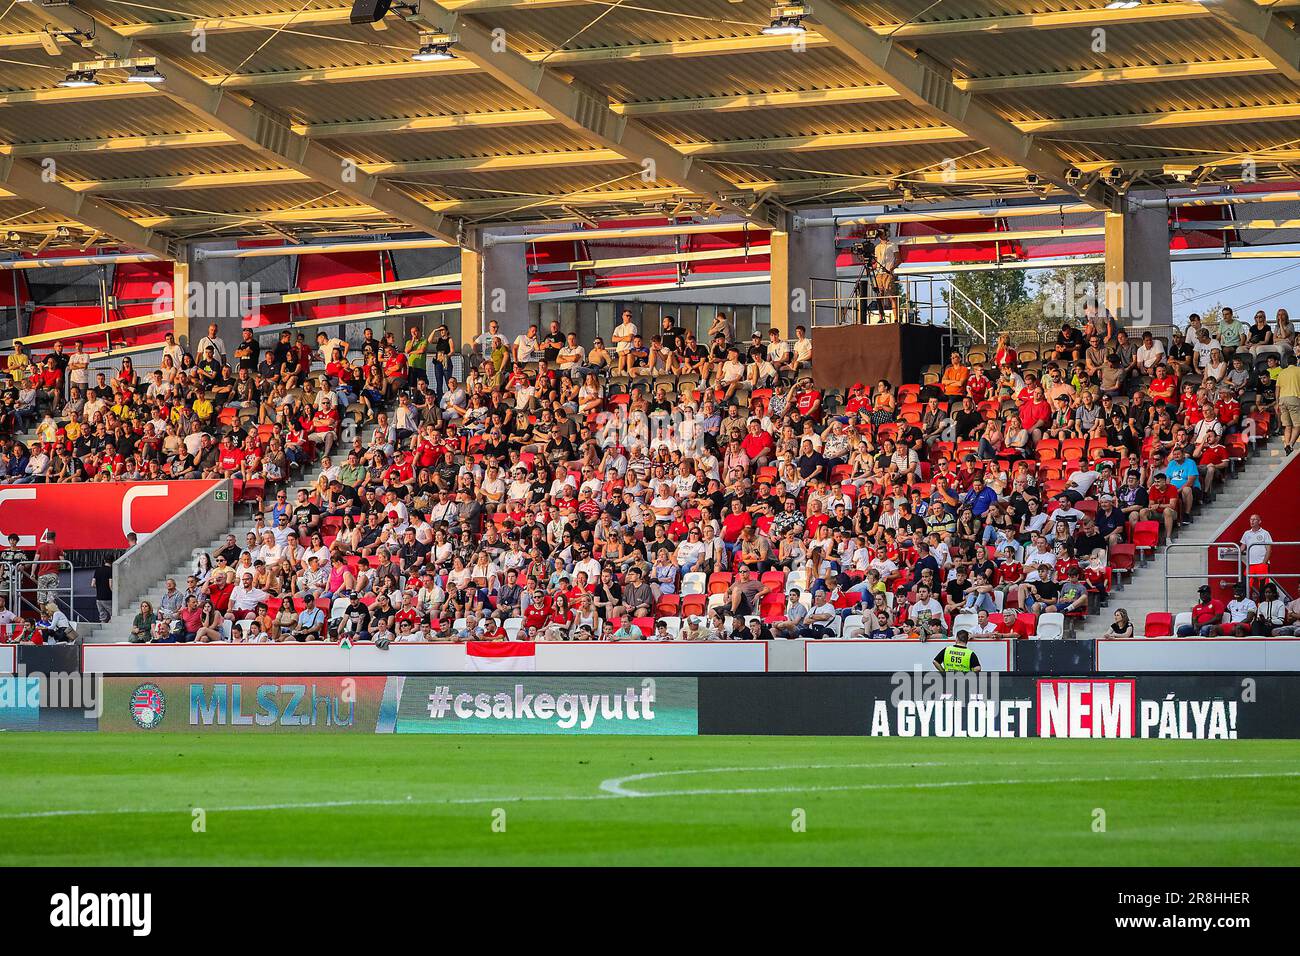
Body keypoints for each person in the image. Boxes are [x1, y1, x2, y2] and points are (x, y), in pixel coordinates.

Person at [91, 558, 113, 624]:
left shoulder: (97, 570)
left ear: (104, 561)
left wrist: (100, 587)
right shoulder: (111, 570)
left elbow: (92, 584)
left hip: (98, 598)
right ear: (112, 562)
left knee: (103, 618)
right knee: (113, 615)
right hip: (108, 597)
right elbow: (110, 584)